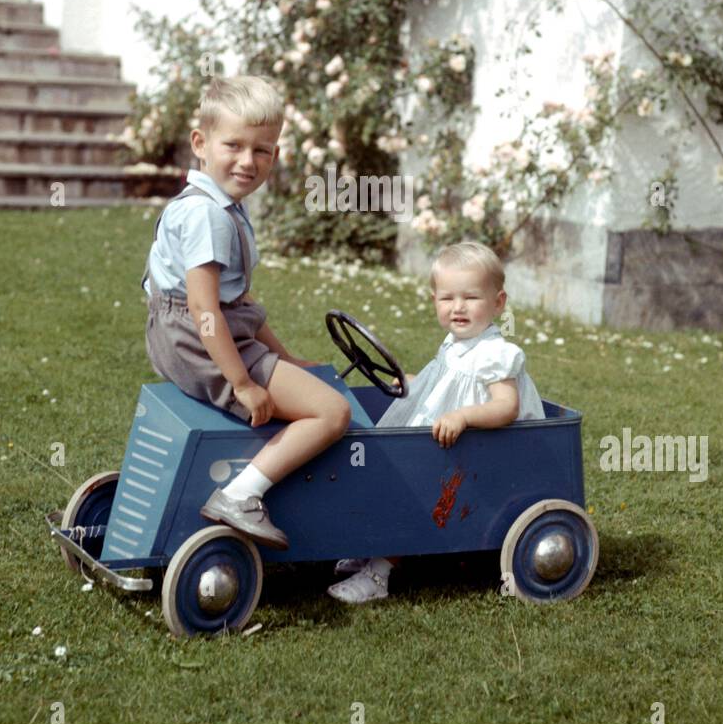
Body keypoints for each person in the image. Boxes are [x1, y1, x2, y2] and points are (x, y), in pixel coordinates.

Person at [143, 75, 351, 550]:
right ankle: (240, 495)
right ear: (200, 143)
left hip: (196, 332)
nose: (246, 161)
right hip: (198, 341)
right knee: (332, 412)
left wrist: (287, 359)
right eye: (233, 145)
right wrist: (243, 383)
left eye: (261, 150)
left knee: (308, 383)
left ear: (274, 156)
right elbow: (205, 309)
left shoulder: (221, 205)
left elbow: (241, 307)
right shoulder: (208, 216)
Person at [328, 240, 545, 604]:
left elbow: (506, 407)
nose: (458, 307)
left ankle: (380, 572)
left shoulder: (495, 353)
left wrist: (463, 416)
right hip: (454, 445)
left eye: (471, 298)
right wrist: (414, 382)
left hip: (488, 452)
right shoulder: (455, 343)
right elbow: (447, 382)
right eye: (447, 298)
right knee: (389, 465)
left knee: (414, 483)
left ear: (498, 303)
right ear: (434, 301)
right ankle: (372, 546)